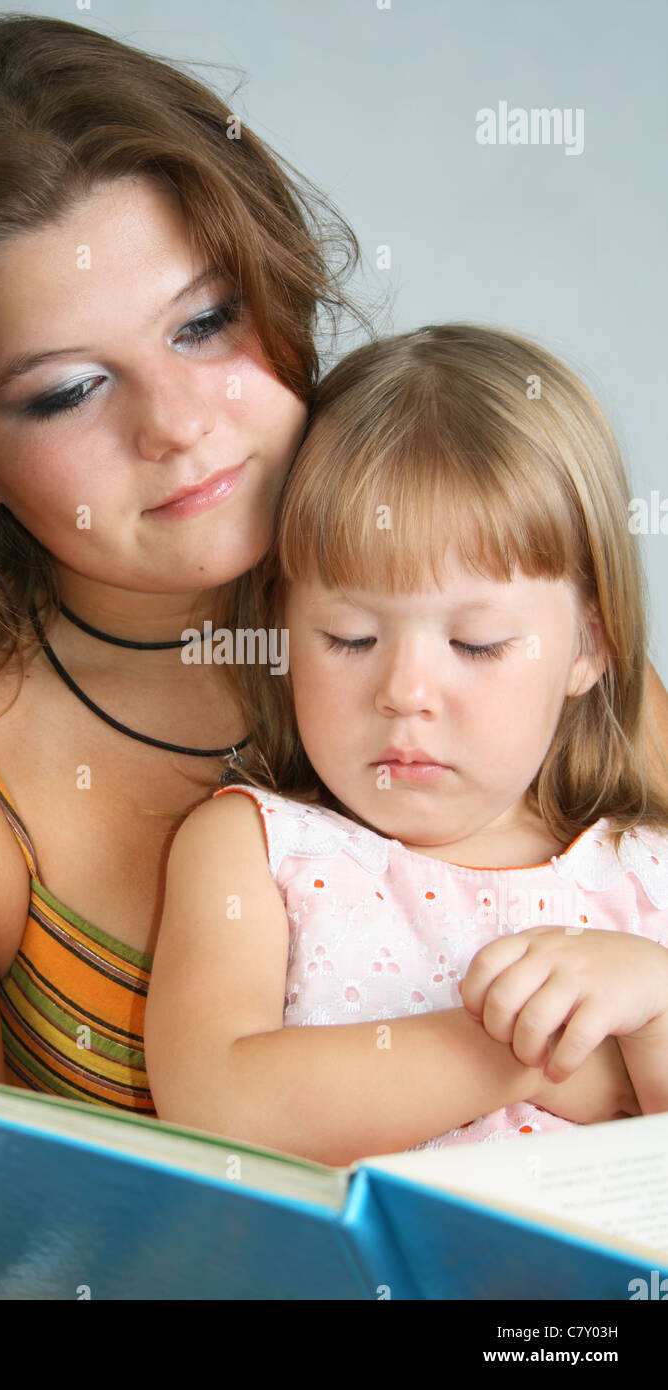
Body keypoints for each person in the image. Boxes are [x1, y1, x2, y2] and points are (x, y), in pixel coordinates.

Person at [0, 14, 666, 1296]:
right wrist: (572, 1058)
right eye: (65, 391)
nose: (182, 426)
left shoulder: (482, 608)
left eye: (205, 323)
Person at [145, 325, 668, 1166]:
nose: (405, 694)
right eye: (350, 638)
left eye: (477, 644)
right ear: (282, 627)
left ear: (589, 649)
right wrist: (523, 1055)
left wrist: (655, 1015)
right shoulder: (259, 849)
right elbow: (215, 1105)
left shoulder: (644, 875)